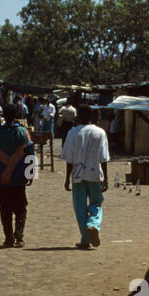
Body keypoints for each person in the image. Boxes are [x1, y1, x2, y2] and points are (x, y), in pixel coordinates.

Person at [61, 105, 110, 250]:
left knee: (80, 207)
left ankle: (85, 238)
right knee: (96, 202)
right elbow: (104, 158)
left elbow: (69, 159)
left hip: (77, 174)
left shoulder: (72, 133)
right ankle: (93, 224)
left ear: (78, 117)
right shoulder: (100, 132)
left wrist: (67, 178)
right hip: (94, 174)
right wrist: (106, 178)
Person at [0, 103, 34, 247]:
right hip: (19, 176)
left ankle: (9, 238)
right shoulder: (24, 132)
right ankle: (19, 237)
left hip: (2, 177)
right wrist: (31, 174)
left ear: (3, 115)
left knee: (5, 209)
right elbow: (30, 153)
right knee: (21, 208)